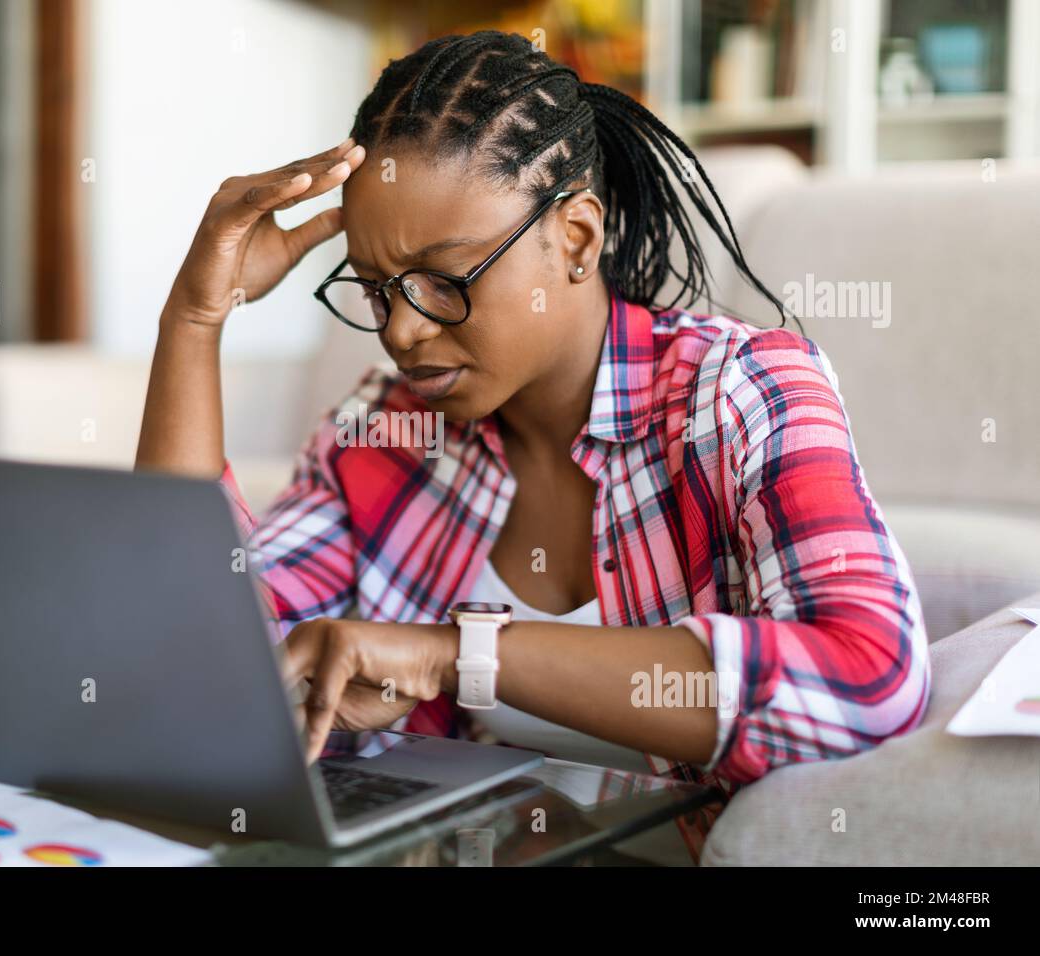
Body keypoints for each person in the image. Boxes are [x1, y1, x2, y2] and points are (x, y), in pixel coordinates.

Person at [136, 31, 930, 862]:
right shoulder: (389, 429)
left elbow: (866, 677)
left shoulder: (739, 390)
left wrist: (456, 657)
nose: (402, 331)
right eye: (376, 290)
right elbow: (194, 655)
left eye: (446, 279)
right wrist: (193, 321)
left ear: (577, 240)